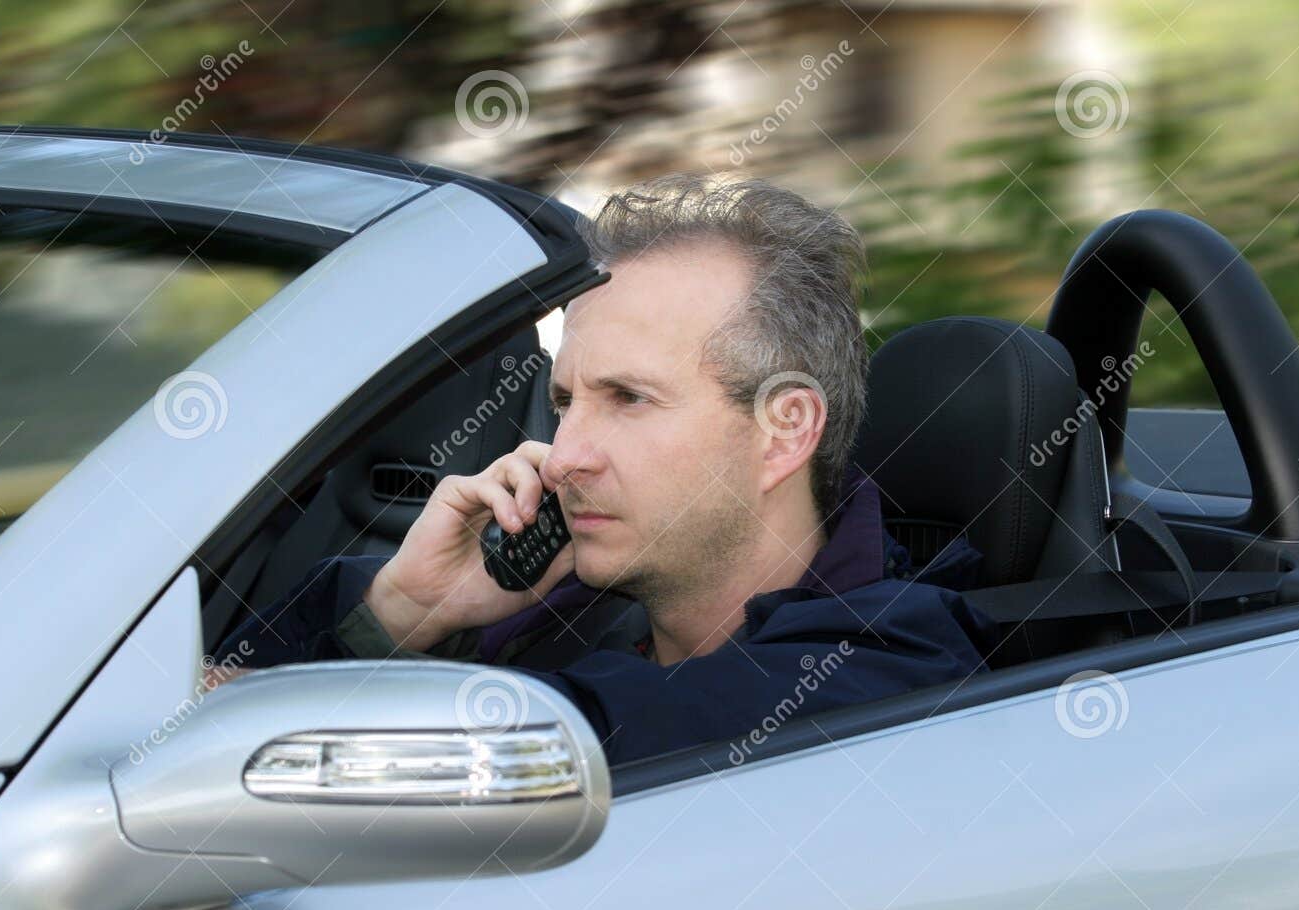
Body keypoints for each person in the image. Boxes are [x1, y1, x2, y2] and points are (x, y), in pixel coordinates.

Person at [212, 174, 994, 765]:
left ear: (784, 431)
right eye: (564, 401)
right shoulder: (563, 608)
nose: (566, 456)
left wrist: (243, 711)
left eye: (627, 397)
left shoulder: (886, 674)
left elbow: (593, 728)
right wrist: (402, 607)